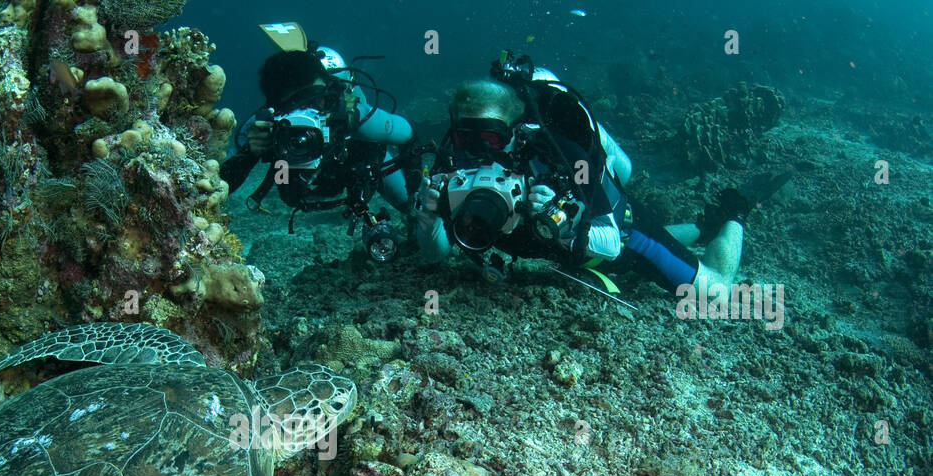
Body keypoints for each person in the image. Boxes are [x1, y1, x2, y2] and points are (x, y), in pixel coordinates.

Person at [416, 57, 783, 306]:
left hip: (624, 235)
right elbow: (436, 254)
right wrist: (428, 220)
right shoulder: (454, 163)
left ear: (516, 130)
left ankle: (735, 210)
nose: (481, 151)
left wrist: (563, 225)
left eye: (492, 138)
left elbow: (610, 242)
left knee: (713, 293)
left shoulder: (563, 154)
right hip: (570, 257)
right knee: (678, 239)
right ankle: (703, 226)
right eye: (467, 137)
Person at [222, 26, 419, 221]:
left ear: (332, 95)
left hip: (357, 166)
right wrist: (249, 153)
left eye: (317, 100)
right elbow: (217, 186)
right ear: (275, 110)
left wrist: (415, 184)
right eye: (294, 107)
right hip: (308, 187)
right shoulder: (263, 128)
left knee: (412, 209)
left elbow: (409, 136)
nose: (309, 114)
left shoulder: (352, 115)